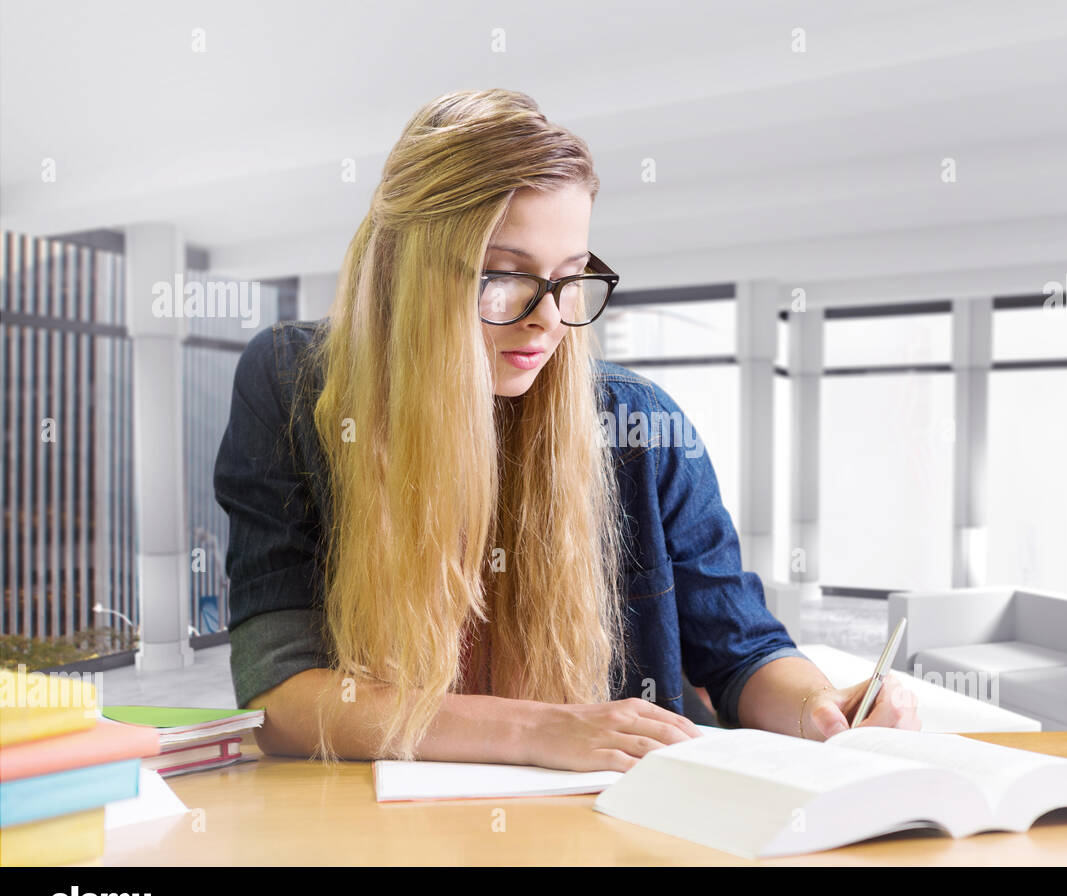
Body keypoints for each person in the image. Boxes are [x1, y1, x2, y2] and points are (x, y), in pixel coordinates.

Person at [213, 88, 918, 771]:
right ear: (406, 273)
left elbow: (740, 653)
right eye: (505, 276)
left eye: (571, 276)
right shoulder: (292, 385)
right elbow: (281, 698)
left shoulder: (641, 425)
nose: (548, 318)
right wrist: (538, 730)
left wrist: (819, 710)